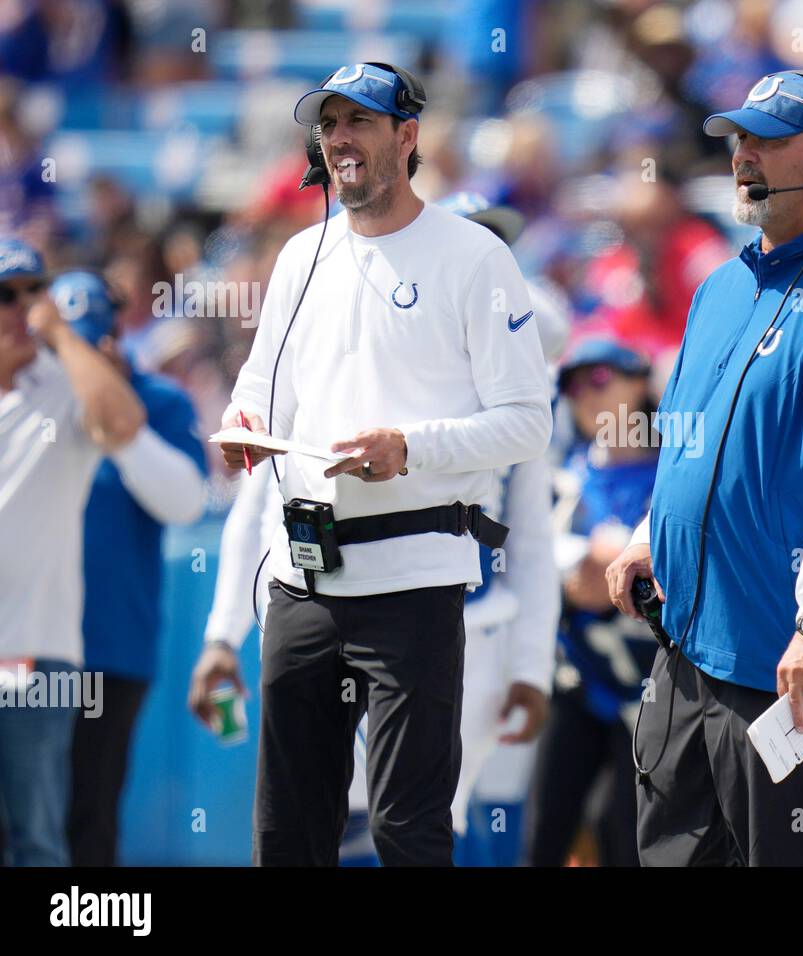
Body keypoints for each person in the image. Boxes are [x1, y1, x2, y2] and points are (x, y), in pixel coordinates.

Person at [217, 62, 552, 866]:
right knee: (287, 831)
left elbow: (526, 424)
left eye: (360, 121)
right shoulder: (301, 256)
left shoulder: (473, 257)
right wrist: (241, 424)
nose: (339, 139)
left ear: (408, 137)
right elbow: (258, 390)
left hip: (413, 584)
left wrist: (410, 448)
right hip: (303, 582)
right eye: (328, 124)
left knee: (409, 830)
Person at [605, 70, 803, 867]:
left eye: (769, 140)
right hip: (686, 650)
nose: (744, 155)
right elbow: (688, 440)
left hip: (785, 669)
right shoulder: (720, 285)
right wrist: (649, 533)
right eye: (740, 139)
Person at [0, 240, 145, 866]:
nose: (25, 307)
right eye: (8, 295)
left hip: (33, 655)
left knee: (38, 841)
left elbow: (122, 426)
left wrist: (61, 335)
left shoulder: (64, 385)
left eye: (36, 290)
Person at [56, 271, 208, 867]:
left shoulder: (159, 402)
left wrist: (115, 422)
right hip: (23, 644)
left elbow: (186, 501)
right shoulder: (30, 396)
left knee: (88, 817)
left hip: (109, 647)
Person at [524, 339, 660, 867]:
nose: (587, 396)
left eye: (600, 379)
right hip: (577, 678)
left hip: (654, 690)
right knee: (545, 833)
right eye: (575, 385)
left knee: (626, 835)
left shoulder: (679, 470)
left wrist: (622, 564)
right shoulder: (560, 477)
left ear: (639, 381)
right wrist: (567, 575)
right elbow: (524, 565)